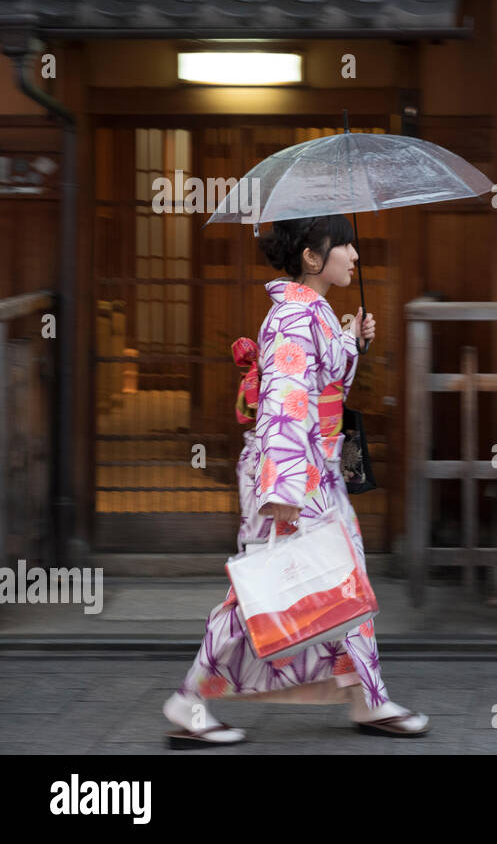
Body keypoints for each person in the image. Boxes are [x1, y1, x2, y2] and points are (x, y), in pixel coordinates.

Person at [162, 214, 429, 747]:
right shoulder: (293, 319)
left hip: (315, 466)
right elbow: (285, 404)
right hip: (292, 474)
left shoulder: (314, 313)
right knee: (265, 591)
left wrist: (352, 340)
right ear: (312, 257)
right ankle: (189, 701)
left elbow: (323, 380)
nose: (355, 256)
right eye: (345, 247)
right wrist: (281, 492)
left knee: (342, 578)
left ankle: (367, 698)